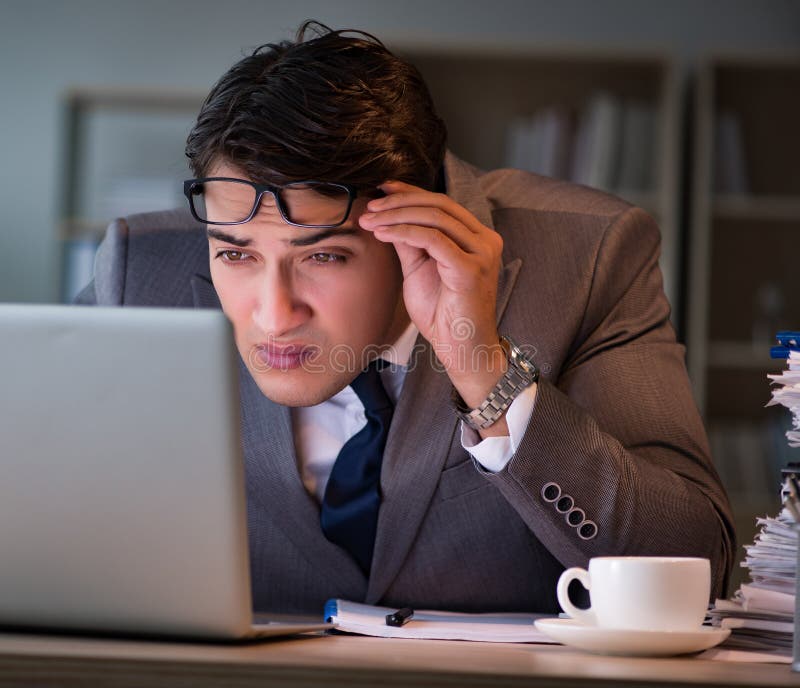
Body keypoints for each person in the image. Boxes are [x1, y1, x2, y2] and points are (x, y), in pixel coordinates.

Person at [77, 21, 735, 615]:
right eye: (235, 253)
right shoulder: (139, 277)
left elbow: (699, 567)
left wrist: (487, 372)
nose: (274, 315)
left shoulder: (589, 258)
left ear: (409, 226)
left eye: (323, 256)